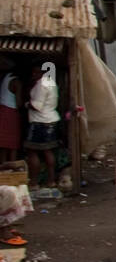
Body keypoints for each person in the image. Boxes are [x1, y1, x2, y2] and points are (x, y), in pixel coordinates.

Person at [24, 64, 60, 197]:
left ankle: (34, 183)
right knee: (48, 151)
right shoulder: (51, 82)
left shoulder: (41, 85)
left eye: (36, 72)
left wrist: (26, 104)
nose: (33, 75)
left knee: (32, 150)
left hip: (40, 121)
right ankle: (51, 181)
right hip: (51, 119)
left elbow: (36, 105)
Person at [0, 59, 22, 162]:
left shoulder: (6, 77)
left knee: (3, 143)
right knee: (13, 143)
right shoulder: (16, 82)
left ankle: (3, 168)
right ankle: (12, 167)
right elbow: (18, 103)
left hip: (3, 111)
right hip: (11, 113)